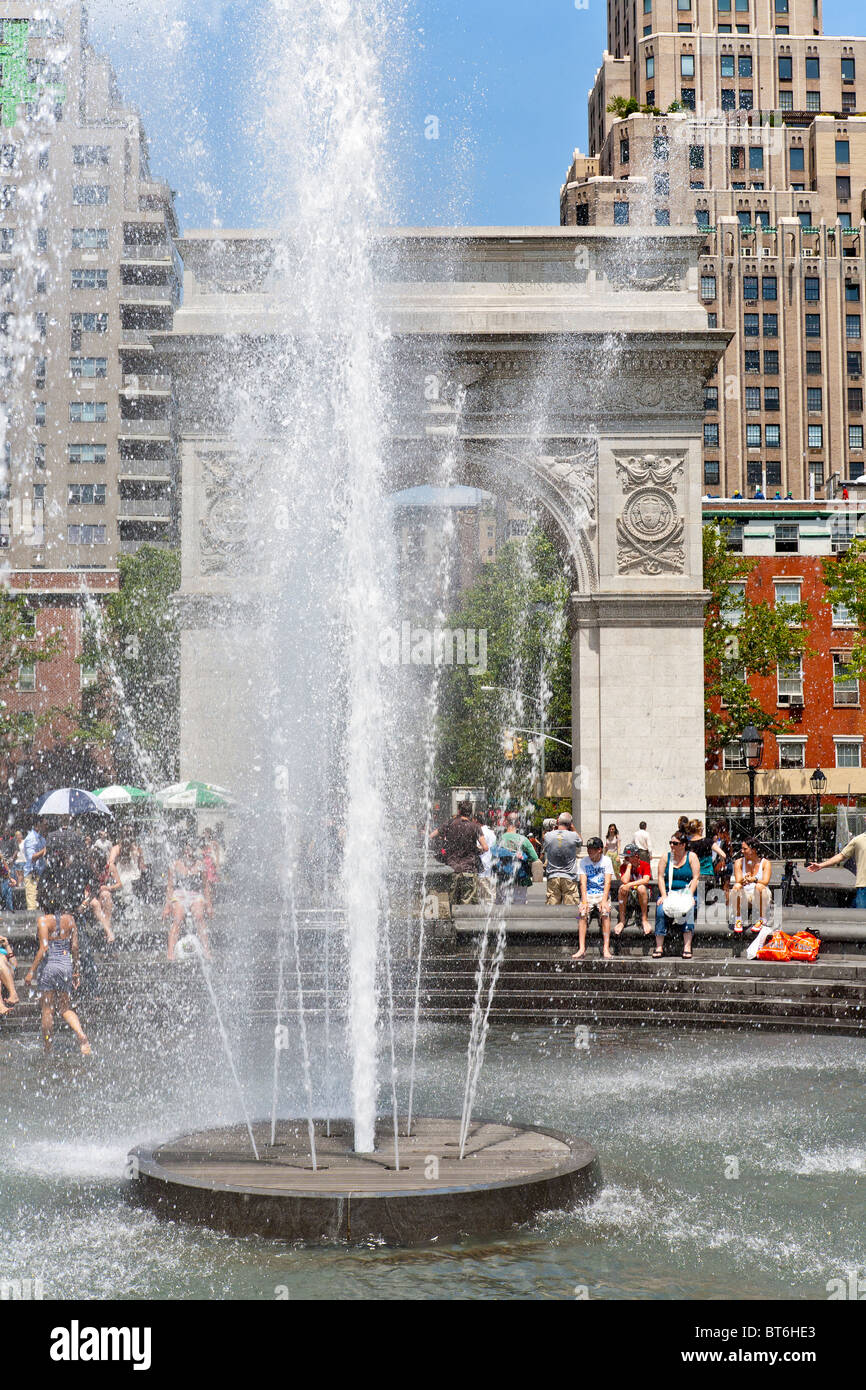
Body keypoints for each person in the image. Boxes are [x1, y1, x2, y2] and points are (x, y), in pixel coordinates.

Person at [24, 849, 91, 1055]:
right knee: (65, 1008)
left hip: (50, 967)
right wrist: (77, 971)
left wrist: (31, 971)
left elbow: (44, 948)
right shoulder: (70, 920)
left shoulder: (43, 921)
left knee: (47, 1010)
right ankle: (82, 1037)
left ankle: (47, 1048)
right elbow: (76, 948)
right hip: (66, 965)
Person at [164, 836, 213, 962]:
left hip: (195, 895)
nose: (188, 852)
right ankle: (170, 952)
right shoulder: (174, 864)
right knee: (178, 918)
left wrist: (209, 905)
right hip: (179, 894)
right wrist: (167, 906)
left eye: (190, 849)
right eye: (185, 849)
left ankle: (207, 950)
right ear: (182, 850)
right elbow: (170, 887)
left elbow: (206, 886)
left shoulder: (200, 865)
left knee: (199, 917)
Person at [429, 802, 487, 907]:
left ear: (459, 811)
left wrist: (443, 846)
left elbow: (431, 836)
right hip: (468, 869)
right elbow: (485, 847)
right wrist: (477, 850)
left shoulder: (449, 823)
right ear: (471, 812)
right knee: (467, 906)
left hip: (452, 869)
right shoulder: (475, 827)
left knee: (451, 903)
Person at [654, 832, 700, 959]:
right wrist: (663, 895)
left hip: (687, 892)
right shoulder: (665, 857)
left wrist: (690, 895)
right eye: (671, 843)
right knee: (659, 910)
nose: (672, 846)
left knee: (689, 909)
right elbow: (660, 877)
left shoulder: (692, 857)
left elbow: (696, 878)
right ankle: (659, 946)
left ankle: (687, 946)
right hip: (670, 893)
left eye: (675, 843)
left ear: (683, 845)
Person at [573, 837, 614, 961]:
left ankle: (606, 948)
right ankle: (581, 948)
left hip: (602, 893)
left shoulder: (606, 861)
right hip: (589, 894)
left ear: (599, 850)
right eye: (588, 849)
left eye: (592, 849)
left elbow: (607, 883)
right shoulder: (584, 862)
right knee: (582, 913)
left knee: (605, 913)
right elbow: (583, 884)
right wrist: (584, 901)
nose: (589, 851)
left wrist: (604, 900)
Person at [808, 829, 866, 909]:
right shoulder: (858, 840)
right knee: (861, 917)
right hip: (863, 886)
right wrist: (821, 865)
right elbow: (841, 856)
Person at [495, 813, 539, 905]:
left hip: (503, 877)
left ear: (506, 822)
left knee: (501, 906)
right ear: (518, 823)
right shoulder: (523, 840)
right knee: (519, 906)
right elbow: (534, 857)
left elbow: (494, 855)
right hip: (520, 878)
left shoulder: (500, 839)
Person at [730, 837, 772, 934]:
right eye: (742, 848)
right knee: (736, 887)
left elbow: (765, 881)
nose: (742, 851)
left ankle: (762, 919)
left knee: (759, 887)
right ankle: (738, 919)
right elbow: (738, 880)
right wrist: (744, 879)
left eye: (745, 849)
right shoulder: (738, 862)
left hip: (759, 896)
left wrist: (754, 879)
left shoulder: (765, 863)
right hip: (745, 896)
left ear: (753, 850)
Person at [543, 813, 582, 906]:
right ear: (570, 824)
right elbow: (581, 841)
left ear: (558, 822)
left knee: (552, 909)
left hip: (553, 876)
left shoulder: (548, 835)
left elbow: (545, 840)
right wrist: (573, 828)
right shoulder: (573, 836)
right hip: (569, 876)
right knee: (571, 909)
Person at [616, 842, 653, 935]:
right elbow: (624, 881)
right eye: (625, 857)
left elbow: (646, 880)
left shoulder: (645, 865)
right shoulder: (624, 866)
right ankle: (622, 920)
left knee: (641, 888)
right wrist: (628, 867)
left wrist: (630, 884)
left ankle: (644, 919)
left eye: (628, 857)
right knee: (622, 887)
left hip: (642, 895)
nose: (625, 859)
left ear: (636, 856)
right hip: (629, 897)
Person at [22, 818, 47, 911]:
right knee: (32, 906)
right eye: (44, 824)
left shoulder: (42, 838)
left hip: (41, 875)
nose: (46, 827)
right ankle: (32, 925)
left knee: (41, 905)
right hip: (32, 875)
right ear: (38, 825)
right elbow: (31, 857)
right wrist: (44, 850)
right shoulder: (31, 838)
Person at [477, 815, 498, 904]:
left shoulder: (479, 833)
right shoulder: (492, 833)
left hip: (481, 866)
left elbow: (478, 847)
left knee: (481, 897)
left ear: (477, 821)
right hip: (491, 866)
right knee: (491, 894)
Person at [0, 934, 20, 1015]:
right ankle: (1, 1006)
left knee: (1, 959)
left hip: (7, 971)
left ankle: (12, 993)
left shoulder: (2, 949)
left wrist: (7, 945)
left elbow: (14, 965)